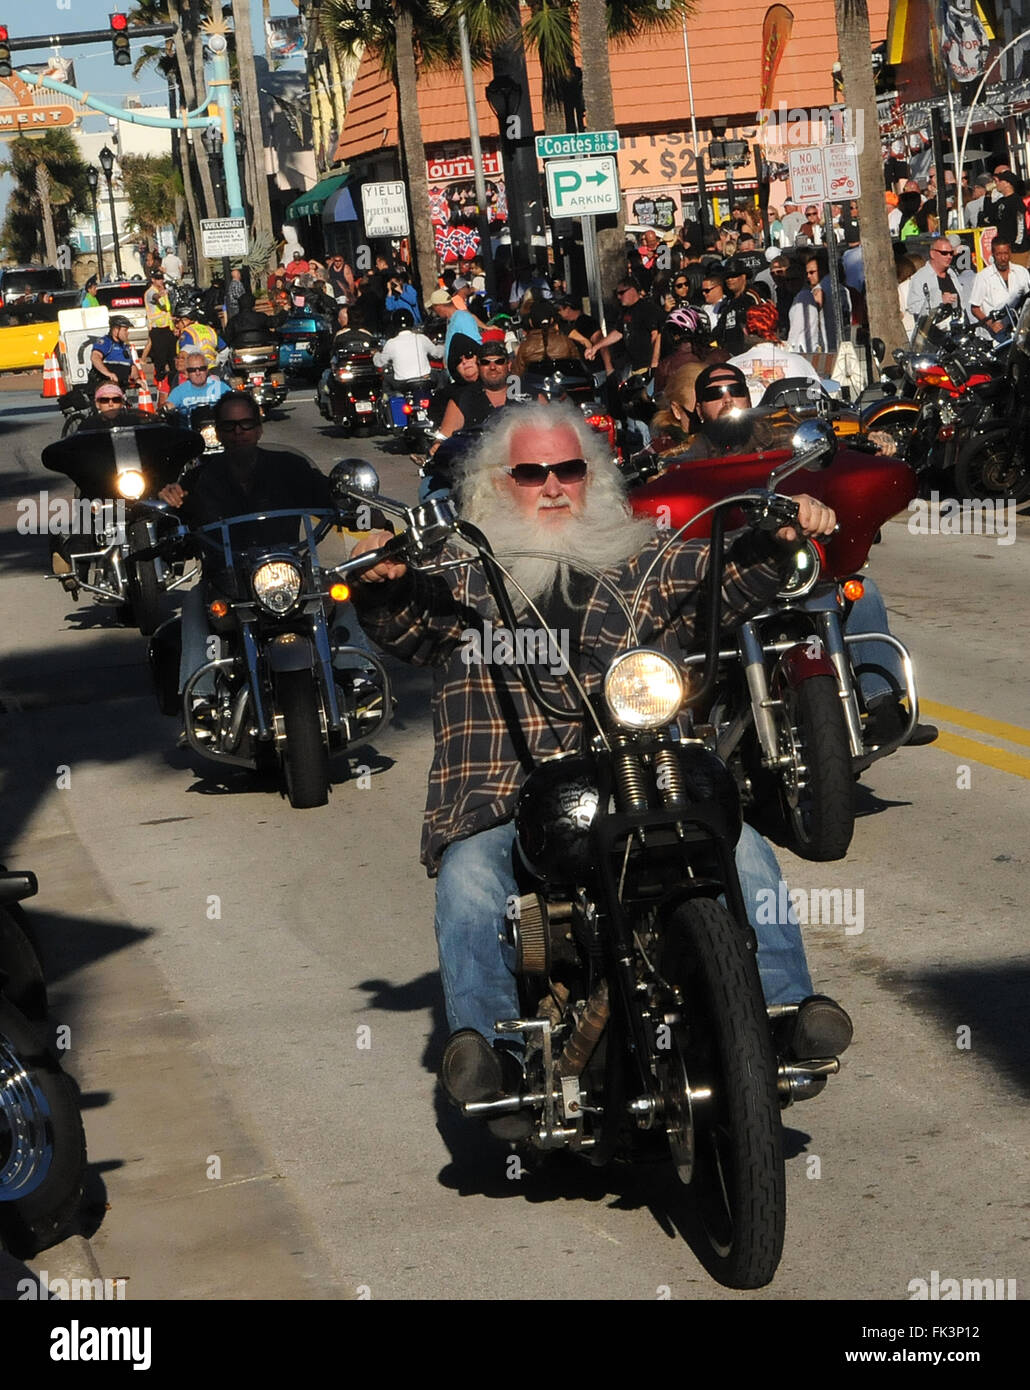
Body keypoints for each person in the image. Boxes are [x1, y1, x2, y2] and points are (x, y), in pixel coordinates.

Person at [347, 401, 855, 1129]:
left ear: (594, 477)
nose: (553, 486)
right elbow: (409, 624)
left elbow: (725, 573)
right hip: (505, 791)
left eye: (569, 469)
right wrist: (386, 580)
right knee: (468, 880)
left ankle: (783, 1012)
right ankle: (496, 1055)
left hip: (642, 778)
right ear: (497, 482)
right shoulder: (456, 570)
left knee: (745, 848)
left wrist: (780, 533)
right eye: (532, 472)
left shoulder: (640, 553)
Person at [661, 362, 938, 745]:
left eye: (735, 390)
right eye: (713, 394)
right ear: (699, 407)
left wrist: (869, 441)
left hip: (792, 558)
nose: (727, 400)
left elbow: (828, 449)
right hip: (730, 569)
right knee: (674, 616)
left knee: (861, 590)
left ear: (748, 395)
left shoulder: (781, 436)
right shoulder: (684, 456)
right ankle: (675, 731)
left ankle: (883, 704)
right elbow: (656, 486)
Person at [157, 392, 347, 707]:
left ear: (259, 428)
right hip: (229, 579)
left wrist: (355, 507)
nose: (238, 432)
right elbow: (176, 513)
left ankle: (358, 673)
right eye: (229, 426)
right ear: (217, 432)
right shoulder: (200, 476)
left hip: (288, 570)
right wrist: (168, 506)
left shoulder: (291, 467)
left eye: (246, 424)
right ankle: (200, 696)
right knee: (193, 603)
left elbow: (329, 497)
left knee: (338, 590)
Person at [728, 301, 825, 404]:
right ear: (777, 330)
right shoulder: (800, 363)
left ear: (745, 330)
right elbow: (818, 401)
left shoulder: (730, 367)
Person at [432, 340, 511, 445]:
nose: (492, 367)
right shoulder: (460, 398)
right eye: (485, 362)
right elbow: (444, 438)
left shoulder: (525, 392)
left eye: (499, 361)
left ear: (509, 365)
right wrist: (437, 445)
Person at [968, 240, 1030, 339]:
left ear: (1010, 253)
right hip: (993, 337)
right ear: (993, 254)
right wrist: (990, 324)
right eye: (999, 254)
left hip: (1018, 334)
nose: (1003, 258)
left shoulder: (1022, 272)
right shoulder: (983, 276)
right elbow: (975, 308)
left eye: (1005, 253)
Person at [905, 237, 973, 318]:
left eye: (951, 253)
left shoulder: (951, 273)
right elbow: (913, 308)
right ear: (932, 254)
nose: (949, 256)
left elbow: (962, 303)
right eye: (944, 253)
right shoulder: (920, 278)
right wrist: (939, 301)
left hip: (956, 326)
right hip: (934, 329)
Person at [426, 288, 483, 377]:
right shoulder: (451, 320)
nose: (434, 312)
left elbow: (475, 344)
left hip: (465, 376)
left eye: (433, 309)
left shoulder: (462, 318)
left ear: (438, 306)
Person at [373, 309, 435, 383]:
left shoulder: (391, 343)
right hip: (424, 380)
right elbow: (437, 353)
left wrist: (376, 354)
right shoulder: (421, 338)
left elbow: (380, 362)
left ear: (394, 324)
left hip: (402, 384)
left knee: (385, 382)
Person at [143, 271, 178, 392]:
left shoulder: (162, 292)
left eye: (161, 278)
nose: (160, 281)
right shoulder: (151, 292)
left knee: (173, 357)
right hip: (157, 331)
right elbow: (155, 297)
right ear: (152, 280)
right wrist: (161, 294)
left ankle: (174, 382)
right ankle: (160, 385)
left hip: (167, 329)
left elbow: (166, 311)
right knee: (160, 360)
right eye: (157, 279)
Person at [164, 353, 233, 415]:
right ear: (187, 373)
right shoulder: (179, 391)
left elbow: (235, 403)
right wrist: (167, 408)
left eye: (202, 369)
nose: (198, 373)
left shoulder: (221, 387)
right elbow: (168, 407)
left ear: (207, 370)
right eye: (192, 370)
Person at [89, 316, 143, 391]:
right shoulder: (106, 342)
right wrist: (108, 374)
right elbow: (95, 357)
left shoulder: (125, 346)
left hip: (119, 389)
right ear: (115, 330)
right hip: (104, 389)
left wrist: (137, 379)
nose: (127, 333)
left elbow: (131, 366)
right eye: (125, 330)